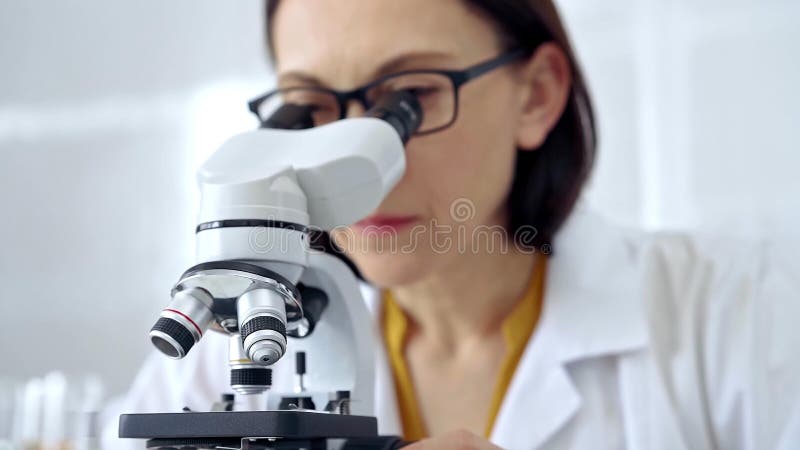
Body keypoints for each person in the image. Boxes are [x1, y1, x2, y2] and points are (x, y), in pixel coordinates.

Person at [102, 1, 800, 449]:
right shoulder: (236, 334)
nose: (350, 160)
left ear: (537, 94)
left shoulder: (742, 314)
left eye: (408, 99)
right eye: (308, 107)